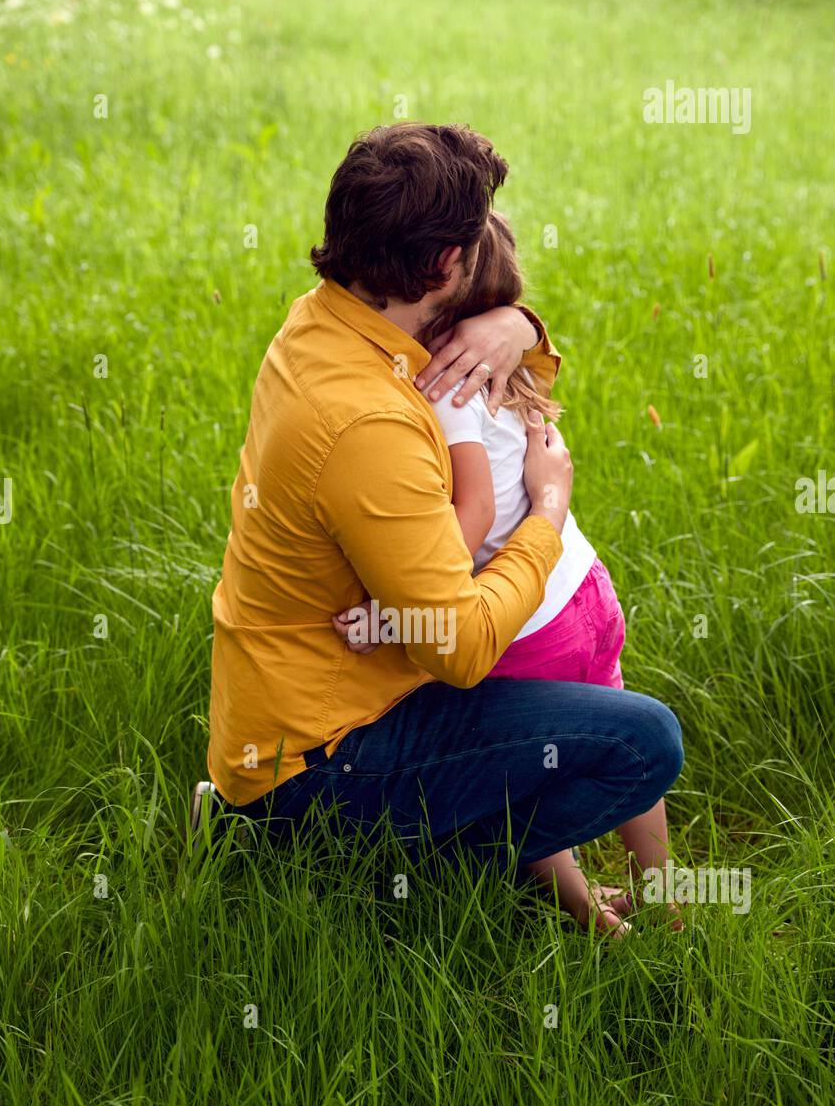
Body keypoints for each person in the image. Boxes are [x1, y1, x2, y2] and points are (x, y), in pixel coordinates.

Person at [197, 122, 683, 935]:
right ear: (447, 268)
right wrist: (551, 506)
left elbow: (484, 362)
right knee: (643, 742)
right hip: (324, 754)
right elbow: (460, 650)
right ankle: (321, 849)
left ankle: (271, 831)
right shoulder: (371, 425)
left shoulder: (323, 321)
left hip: (292, 706)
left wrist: (521, 326)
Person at [335, 211, 680, 936]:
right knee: (616, 714)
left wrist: (387, 613)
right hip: (584, 589)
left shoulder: (443, 390)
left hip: (531, 624)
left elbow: (474, 514)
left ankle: (591, 917)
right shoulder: (509, 363)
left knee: (535, 767)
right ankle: (663, 894)